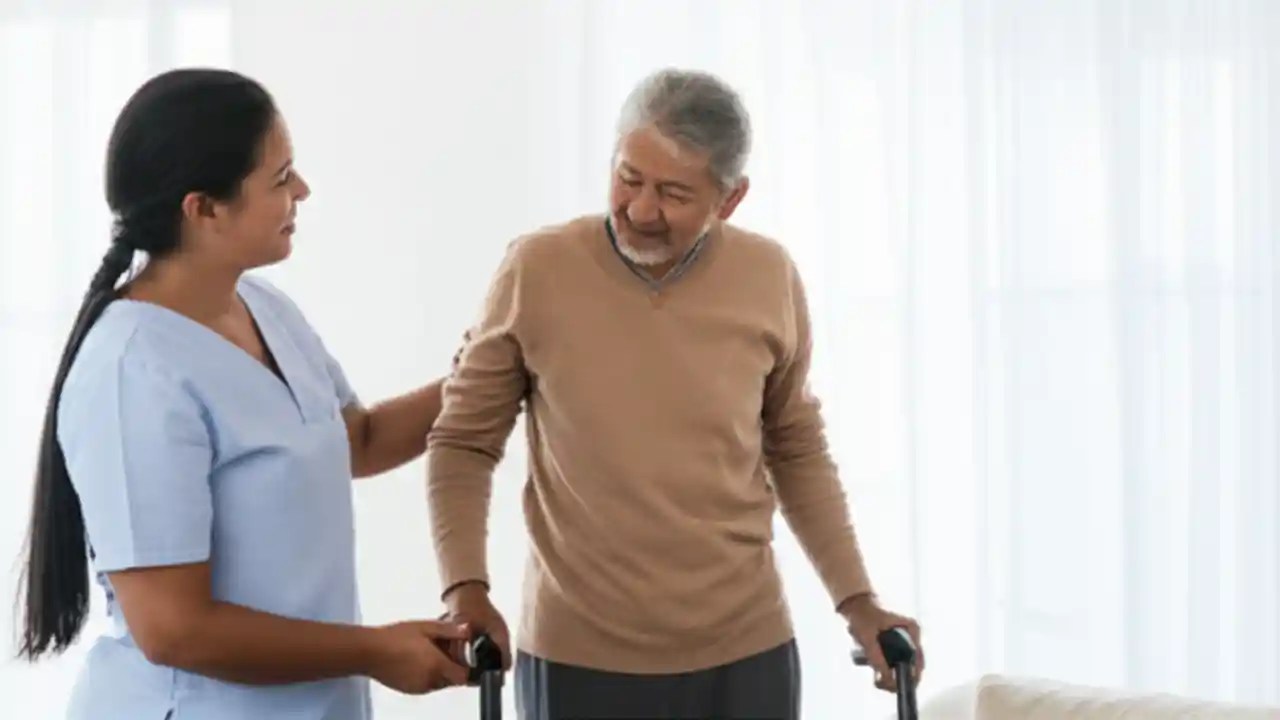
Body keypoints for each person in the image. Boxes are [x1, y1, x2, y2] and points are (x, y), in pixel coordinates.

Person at [426, 67, 925, 719]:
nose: (639, 210)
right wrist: (465, 589)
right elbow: (463, 442)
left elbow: (797, 449)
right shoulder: (538, 268)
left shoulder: (767, 275)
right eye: (628, 177)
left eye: (672, 193)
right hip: (580, 656)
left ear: (730, 198)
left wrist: (858, 604)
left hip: (747, 653)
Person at [18, 68, 469, 719]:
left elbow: (358, 442)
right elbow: (174, 629)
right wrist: (372, 650)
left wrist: (490, 373)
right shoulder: (133, 370)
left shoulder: (261, 306)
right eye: (281, 179)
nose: (303, 191)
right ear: (202, 208)